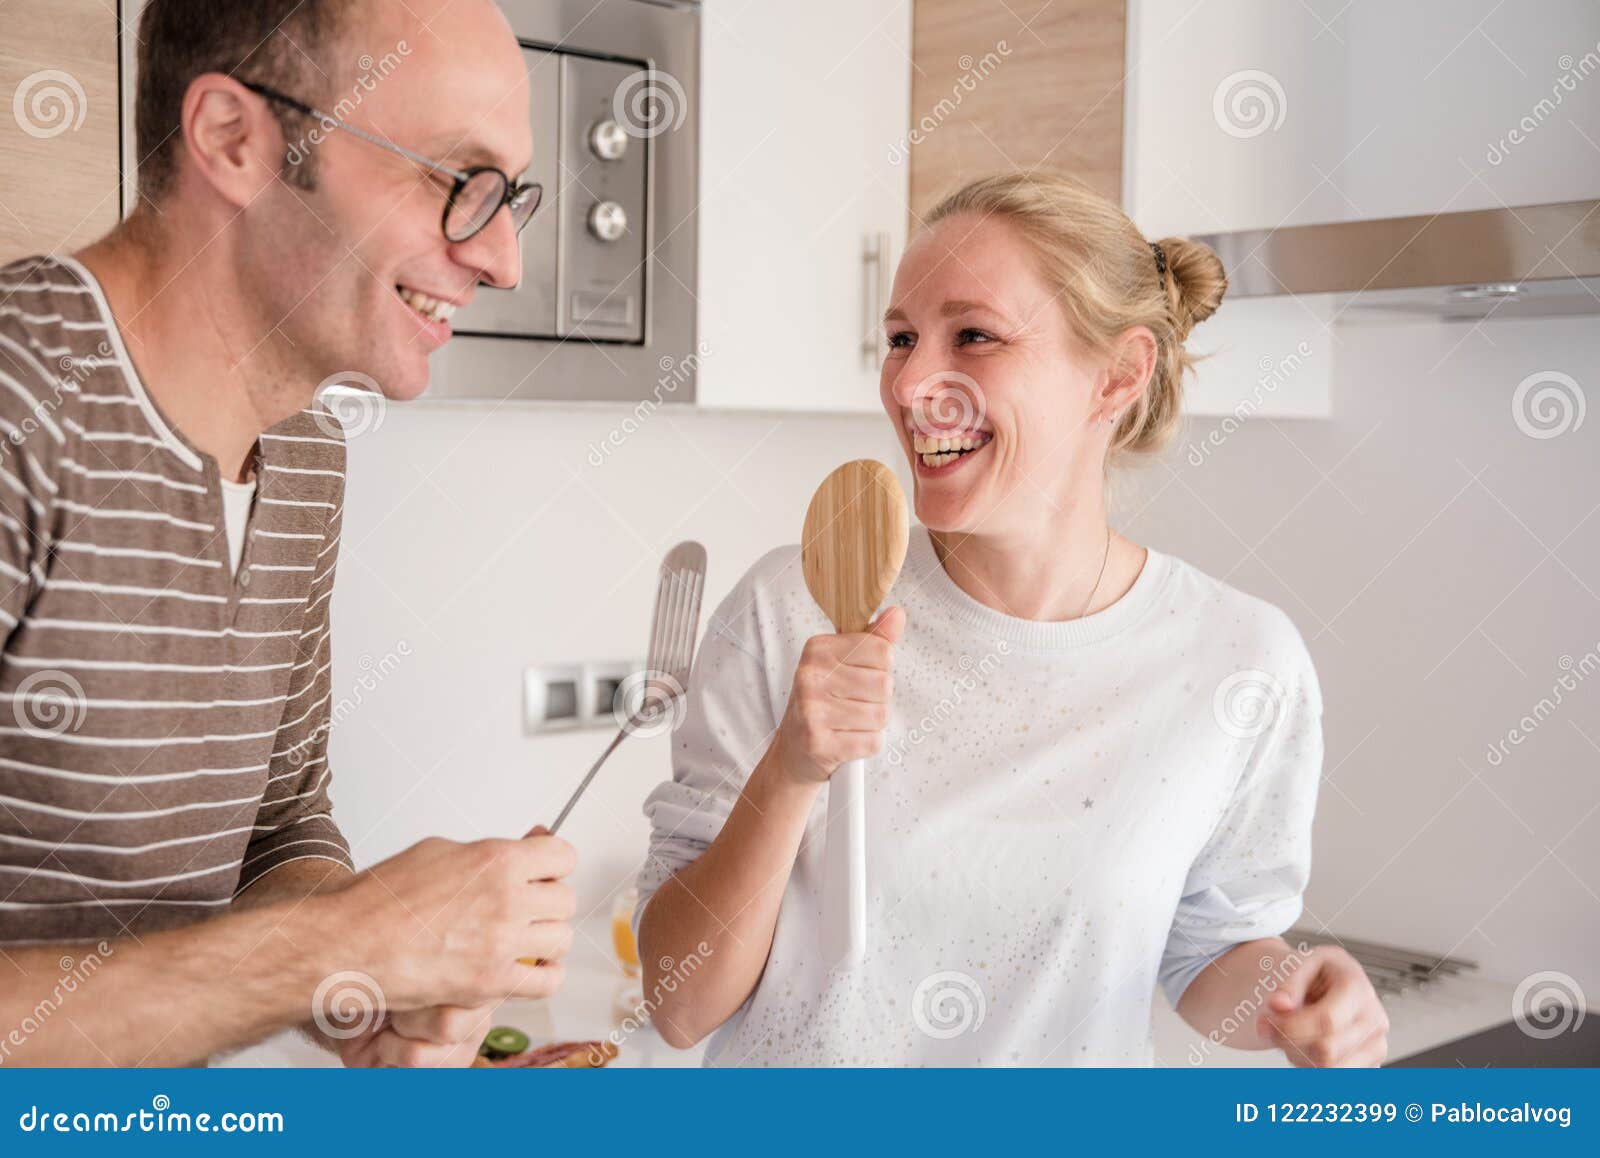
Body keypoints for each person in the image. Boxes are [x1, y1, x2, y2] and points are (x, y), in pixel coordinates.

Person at [635, 171, 1388, 1066]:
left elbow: (1209, 953)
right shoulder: (790, 607)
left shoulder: (1238, 659)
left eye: (974, 336)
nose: (913, 385)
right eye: (902, 338)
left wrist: (1290, 994)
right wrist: (793, 768)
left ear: (1118, 374)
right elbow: (679, 1006)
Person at [0, 0, 573, 1067]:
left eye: (509, 199)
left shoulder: (305, 447)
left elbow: (277, 831)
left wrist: (372, 980)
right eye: (456, 181)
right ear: (235, 140)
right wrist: (336, 944)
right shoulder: (19, 400)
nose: (503, 262)